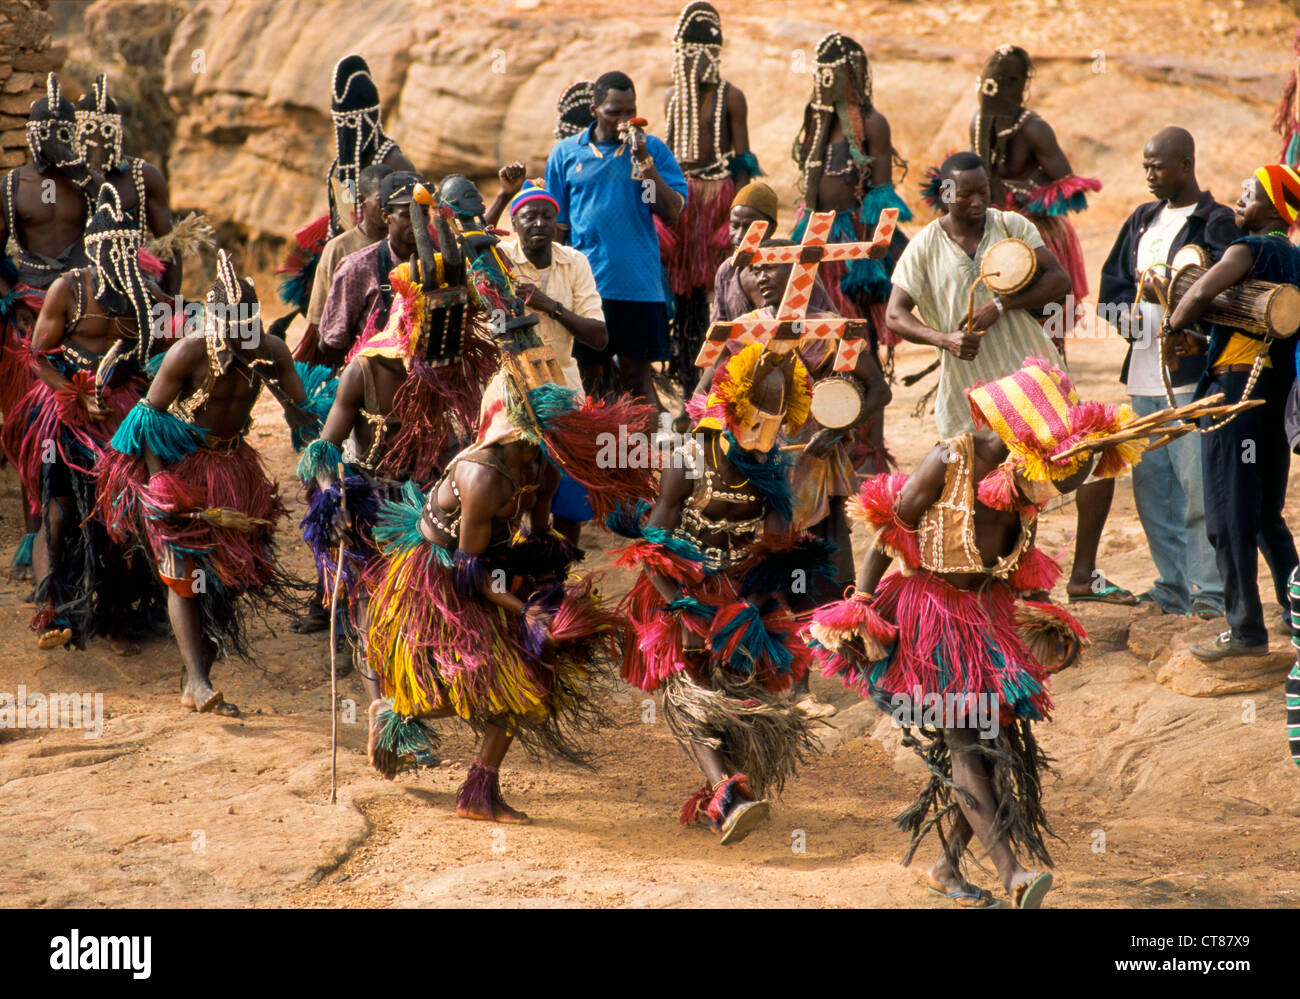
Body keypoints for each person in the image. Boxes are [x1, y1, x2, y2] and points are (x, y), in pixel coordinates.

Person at [809, 358, 1142, 907]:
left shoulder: (1027, 473)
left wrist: (1037, 607)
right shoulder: (950, 457)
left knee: (998, 745)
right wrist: (861, 605)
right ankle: (1012, 872)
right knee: (965, 738)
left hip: (987, 616)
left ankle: (945, 866)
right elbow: (890, 529)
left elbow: (1024, 548)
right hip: (929, 615)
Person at [361, 360, 652, 819]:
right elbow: (468, 575)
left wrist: (551, 596)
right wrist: (525, 613)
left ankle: (479, 792)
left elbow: (537, 542)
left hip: (491, 567)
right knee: (475, 682)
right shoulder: (483, 476)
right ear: (522, 430)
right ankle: (399, 712)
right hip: (440, 577)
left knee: (527, 677)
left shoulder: (542, 470)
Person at [891, 152, 1135, 605]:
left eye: (984, 190)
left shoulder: (1011, 227)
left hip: (1032, 372)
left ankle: (1082, 575)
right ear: (945, 193)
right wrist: (943, 339)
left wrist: (1002, 305)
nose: (979, 200)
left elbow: (1058, 280)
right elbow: (895, 315)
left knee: (1092, 460)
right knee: (996, 489)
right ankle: (1012, 578)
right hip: (970, 388)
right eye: (966, 193)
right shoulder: (924, 246)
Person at [614, 343, 827, 844]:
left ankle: (727, 788)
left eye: (772, 430)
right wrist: (679, 606)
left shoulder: (770, 472)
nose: (761, 441)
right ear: (731, 416)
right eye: (754, 428)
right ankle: (727, 795)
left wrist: (753, 605)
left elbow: (777, 550)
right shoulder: (685, 464)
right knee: (688, 693)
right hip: (678, 590)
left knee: (735, 688)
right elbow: (652, 545)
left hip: (738, 596)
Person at [298, 186, 498, 696]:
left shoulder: (452, 366)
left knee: (421, 598)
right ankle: (381, 711)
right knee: (371, 601)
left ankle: (422, 681)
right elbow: (322, 451)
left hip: (427, 497)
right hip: (369, 496)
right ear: (410, 320)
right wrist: (331, 498)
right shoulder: (365, 371)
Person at [97, 251, 312, 716]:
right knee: (183, 576)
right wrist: (161, 487)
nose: (237, 334)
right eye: (229, 324)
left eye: (245, 324)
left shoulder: (268, 351)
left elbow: (303, 407)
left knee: (228, 574)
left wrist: (330, 447)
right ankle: (197, 680)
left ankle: (201, 664)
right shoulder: (188, 351)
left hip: (235, 472)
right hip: (183, 470)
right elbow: (143, 422)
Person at [2, 183, 161, 652]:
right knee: (58, 507)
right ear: (93, 250)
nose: (121, 258)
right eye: (111, 250)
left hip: (123, 409)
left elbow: (166, 353)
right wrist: (75, 393)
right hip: (66, 410)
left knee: (124, 512)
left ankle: (118, 611)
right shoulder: (68, 288)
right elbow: (37, 357)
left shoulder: (145, 293)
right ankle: (53, 607)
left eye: (128, 249)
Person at [1096, 127, 1238, 619]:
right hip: (1142, 378)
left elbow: (1231, 293)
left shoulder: (1215, 222)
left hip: (1191, 379)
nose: (1149, 175)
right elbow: (1110, 288)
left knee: (1198, 490)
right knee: (1153, 489)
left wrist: (1187, 324)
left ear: (1186, 163)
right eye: (1145, 166)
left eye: (1158, 166)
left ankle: (1210, 593)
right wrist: (1128, 319)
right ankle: (1173, 586)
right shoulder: (1141, 219)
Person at [1164, 165, 1300, 660]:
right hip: (1273, 397)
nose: (1239, 201)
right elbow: (1253, 334)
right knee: (1265, 514)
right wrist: (1200, 340)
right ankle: (1296, 610)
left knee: (1227, 515)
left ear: (1275, 209)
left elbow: (1199, 293)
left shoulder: (1250, 250)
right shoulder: (1295, 260)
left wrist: (1172, 325)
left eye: (1250, 194)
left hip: (1235, 400)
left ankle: (1245, 632)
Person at [544, 70, 688, 406]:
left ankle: (646, 457)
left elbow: (670, 212)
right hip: (586, 288)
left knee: (637, 379)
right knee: (589, 379)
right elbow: (558, 228)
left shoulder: (652, 150)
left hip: (638, 286)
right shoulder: (566, 154)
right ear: (594, 109)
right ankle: (596, 457)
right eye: (614, 112)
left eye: (630, 111)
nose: (624, 121)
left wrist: (644, 161)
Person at [0, 74, 95, 575]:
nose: (63, 140)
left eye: (69, 131)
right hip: (29, 318)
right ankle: (35, 530)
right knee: (26, 424)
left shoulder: (91, 185)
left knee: (85, 419)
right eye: (54, 132)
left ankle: (87, 526)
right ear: (36, 134)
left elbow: (114, 249)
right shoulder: (12, 186)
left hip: (83, 315)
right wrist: (12, 303)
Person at [486, 177, 608, 543]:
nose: (538, 223)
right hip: (510, 385)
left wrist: (548, 306)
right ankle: (508, 560)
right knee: (503, 485)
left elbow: (599, 337)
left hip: (563, 387)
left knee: (568, 495)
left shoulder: (575, 263)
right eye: (528, 216)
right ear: (515, 223)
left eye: (546, 216)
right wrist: (503, 194)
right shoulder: (499, 258)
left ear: (557, 225)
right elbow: (469, 241)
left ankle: (560, 571)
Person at [962, 45, 1101, 356]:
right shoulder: (977, 122)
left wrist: (1023, 194)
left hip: (1034, 231)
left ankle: (1051, 365)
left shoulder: (1034, 128)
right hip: (993, 229)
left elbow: (1068, 186)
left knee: (1042, 316)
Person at [791, 34, 911, 367]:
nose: (831, 83)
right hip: (815, 234)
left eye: (841, 74)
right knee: (815, 333)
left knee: (858, 334)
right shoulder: (815, 122)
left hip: (856, 239)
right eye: (824, 74)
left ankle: (867, 403)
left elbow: (882, 197)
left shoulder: (872, 123)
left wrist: (869, 260)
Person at [273, 54, 415, 332]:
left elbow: (414, 220)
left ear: (370, 120)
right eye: (341, 124)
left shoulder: (395, 164)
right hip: (344, 256)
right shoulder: (341, 169)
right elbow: (344, 217)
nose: (346, 133)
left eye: (351, 125)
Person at [659, 1, 758, 392]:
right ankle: (686, 378)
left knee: (720, 288)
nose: (699, 62)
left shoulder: (731, 97)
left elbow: (743, 160)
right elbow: (665, 155)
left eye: (707, 53)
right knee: (683, 294)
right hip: (683, 203)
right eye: (689, 53)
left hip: (719, 201)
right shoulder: (672, 98)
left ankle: (726, 376)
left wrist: (744, 218)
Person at [73, 74, 179, 294]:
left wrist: (173, 302)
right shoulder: (65, 178)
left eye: (107, 131)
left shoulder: (144, 176)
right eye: (89, 130)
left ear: (119, 133)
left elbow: (169, 245)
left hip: (136, 280)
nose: (98, 141)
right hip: (78, 282)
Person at [317, 170, 422, 367]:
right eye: (408, 215)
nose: (418, 224)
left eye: (423, 214)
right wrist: (364, 370)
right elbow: (331, 343)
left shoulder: (438, 260)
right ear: (386, 216)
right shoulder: (357, 267)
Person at [295, 163, 393, 364]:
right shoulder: (338, 249)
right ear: (362, 201)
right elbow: (320, 320)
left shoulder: (404, 246)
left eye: (394, 200)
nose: (389, 207)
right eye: (382, 200)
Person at [710, 181, 834, 324]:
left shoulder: (792, 263)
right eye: (735, 225)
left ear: (771, 228)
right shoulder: (727, 272)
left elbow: (818, 317)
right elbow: (719, 327)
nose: (739, 235)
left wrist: (789, 337)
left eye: (750, 227)